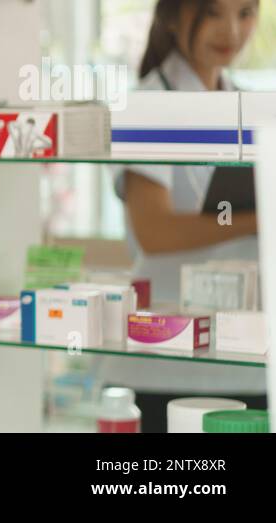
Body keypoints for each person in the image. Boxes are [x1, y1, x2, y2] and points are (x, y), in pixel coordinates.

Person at [109, 0, 264, 432]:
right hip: (167, 360)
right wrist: (260, 217)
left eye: (245, 13)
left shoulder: (247, 104)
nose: (231, 32)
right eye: (212, 13)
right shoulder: (149, 102)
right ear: (173, 16)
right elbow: (154, 231)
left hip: (247, 357)